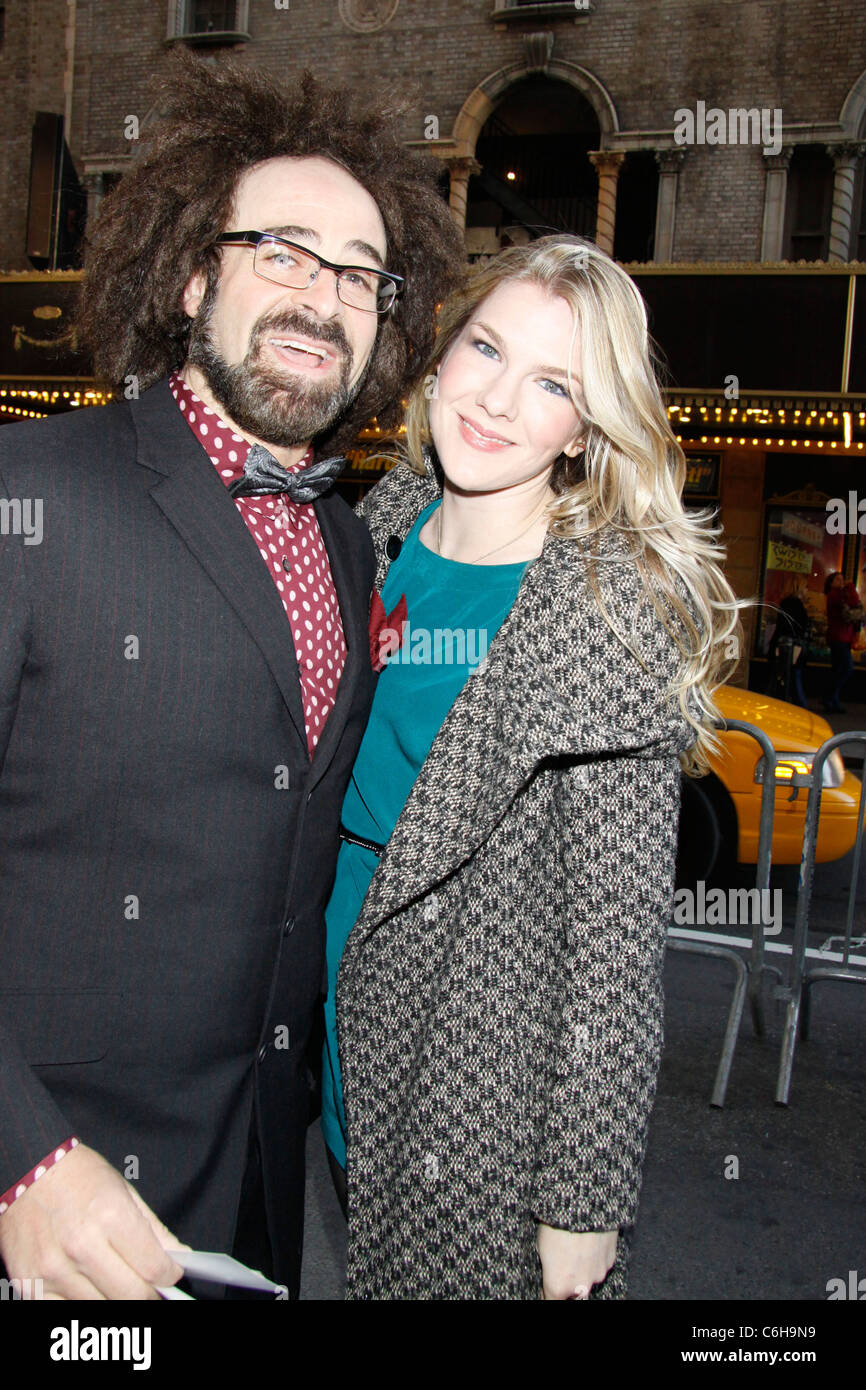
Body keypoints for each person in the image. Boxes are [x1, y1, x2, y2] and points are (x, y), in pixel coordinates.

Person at [0, 51, 462, 1300]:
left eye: (359, 274)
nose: (323, 297)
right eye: (283, 252)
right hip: (55, 1200)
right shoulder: (28, 492)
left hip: (258, 1184)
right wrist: (24, 1160)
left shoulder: (353, 549)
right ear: (195, 273)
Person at [322, 236, 742, 1299]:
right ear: (441, 352)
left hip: (474, 1081)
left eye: (551, 381)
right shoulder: (375, 525)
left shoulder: (601, 619)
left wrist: (582, 1201)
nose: (498, 401)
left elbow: (613, 951)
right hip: (315, 1007)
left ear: (587, 427)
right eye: (486, 347)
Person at [767, 577, 810, 707]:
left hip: (783, 643)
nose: (807, 590)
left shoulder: (786, 602)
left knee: (781, 676)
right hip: (790, 646)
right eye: (805, 587)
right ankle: (800, 705)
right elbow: (797, 625)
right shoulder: (795, 604)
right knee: (793, 675)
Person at [823, 571, 861, 714]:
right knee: (846, 668)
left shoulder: (839, 595)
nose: (841, 582)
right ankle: (830, 696)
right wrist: (850, 587)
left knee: (839, 669)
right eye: (837, 579)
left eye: (842, 579)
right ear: (831, 583)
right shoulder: (835, 595)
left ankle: (832, 697)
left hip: (842, 637)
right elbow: (852, 605)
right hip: (839, 637)